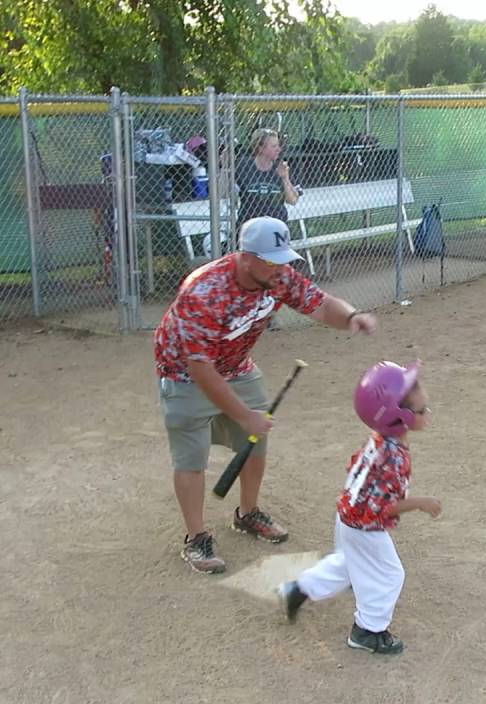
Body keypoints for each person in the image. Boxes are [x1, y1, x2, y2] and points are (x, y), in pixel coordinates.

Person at [153, 216, 378, 575]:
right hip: (185, 373)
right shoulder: (204, 291)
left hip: (236, 365)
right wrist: (245, 416)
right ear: (245, 258)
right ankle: (196, 537)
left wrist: (351, 317)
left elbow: (320, 304)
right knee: (191, 457)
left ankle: (247, 513)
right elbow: (201, 369)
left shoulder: (278, 277)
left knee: (255, 443)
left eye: (283, 259)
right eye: (272, 261)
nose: (280, 268)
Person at [277, 360, 441, 656]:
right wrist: (421, 504)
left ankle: (299, 589)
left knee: (350, 564)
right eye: (422, 410)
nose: (428, 414)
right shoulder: (395, 457)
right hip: (365, 526)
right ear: (400, 418)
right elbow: (385, 508)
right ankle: (368, 631)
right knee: (390, 575)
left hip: (347, 516)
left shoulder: (380, 439)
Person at [234, 128, 300, 231]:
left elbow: (292, 200)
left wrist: (285, 178)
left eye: (278, 145)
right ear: (260, 148)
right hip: (250, 227)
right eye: (274, 146)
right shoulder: (243, 166)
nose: (278, 149)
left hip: (276, 226)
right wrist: (225, 167)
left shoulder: (280, 167)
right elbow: (223, 193)